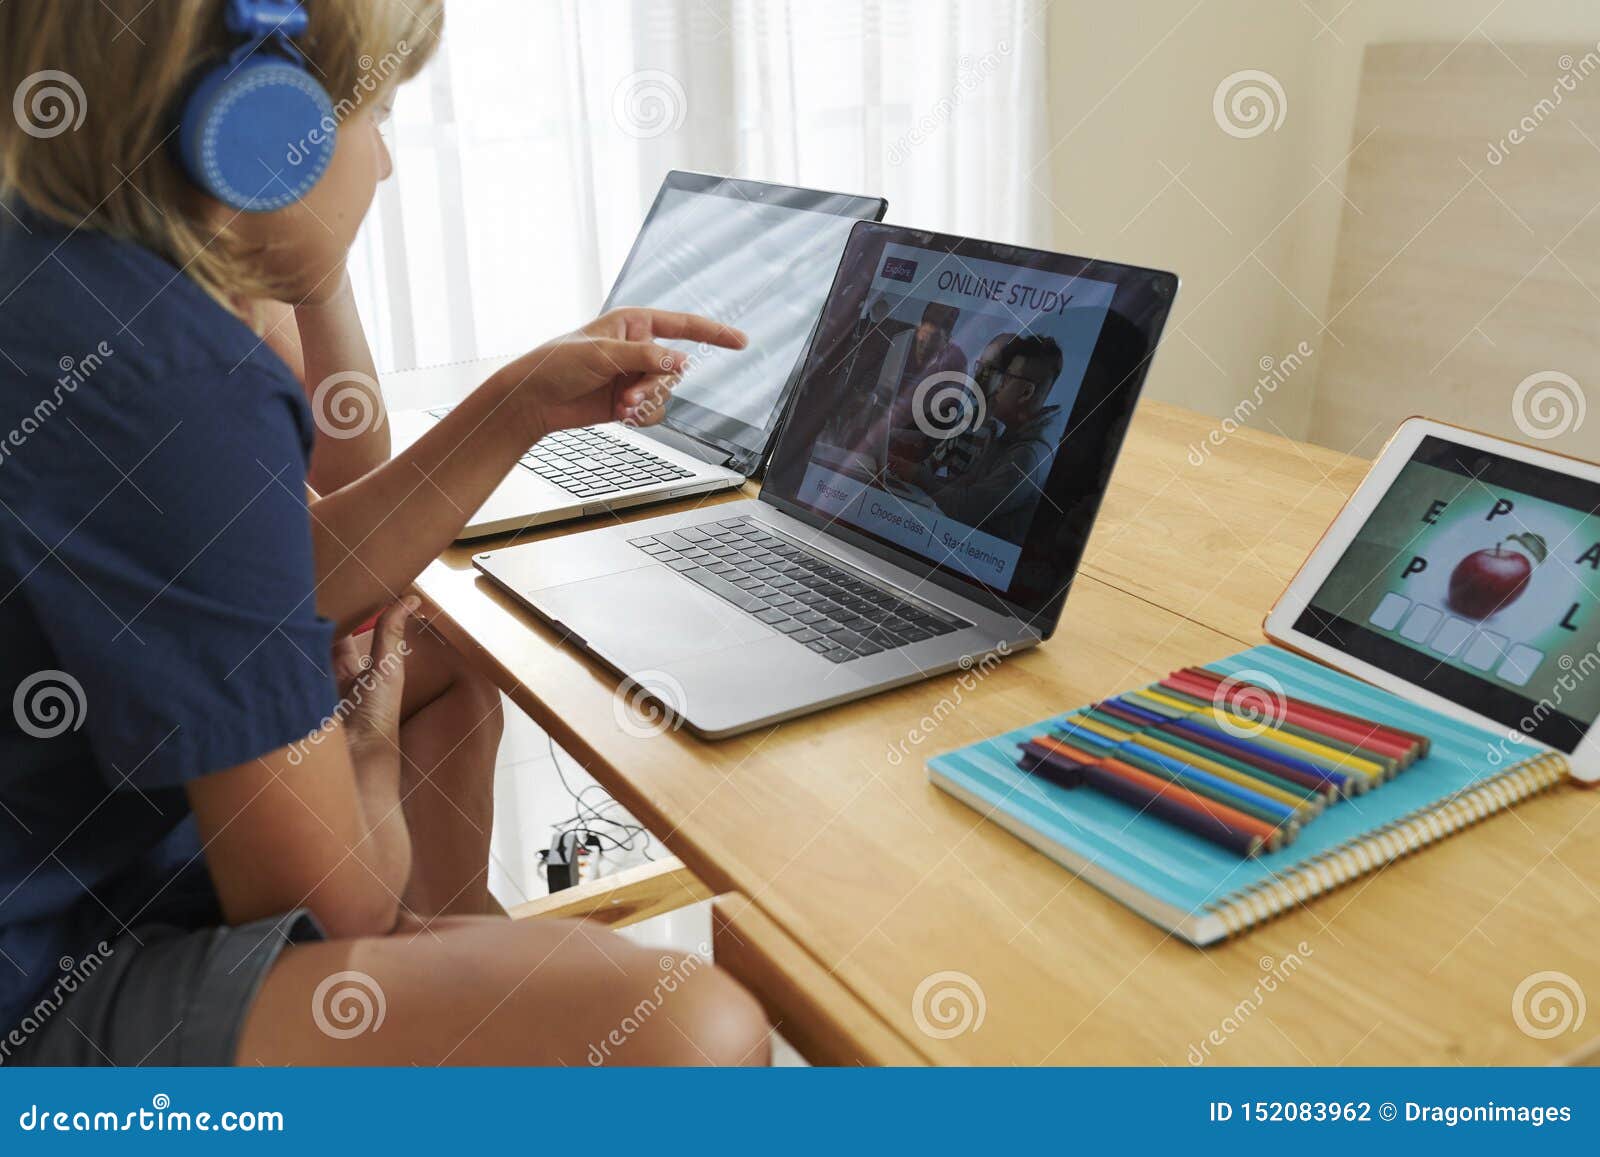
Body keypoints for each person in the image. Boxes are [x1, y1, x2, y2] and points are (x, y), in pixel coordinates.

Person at [0, 0, 768, 1066]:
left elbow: (244, 587)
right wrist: (363, 754)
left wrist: (519, 403)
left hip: (57, 864)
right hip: (39, 984)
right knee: (692, 1027)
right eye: (380, 116)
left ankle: (461, 975)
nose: (391, 166)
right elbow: (328, 906)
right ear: (261, 130)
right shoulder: (176, 373)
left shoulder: (60, 275)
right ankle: (454, 1005)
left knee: (442, 660)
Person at [920, 334, 1066, 541]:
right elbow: (965, 484)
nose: (998, 386)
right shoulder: (1011, 434)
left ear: (1025, 392)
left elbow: (966, 509)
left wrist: (917, 476)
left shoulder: (1028, 455)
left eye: (1006, 379)